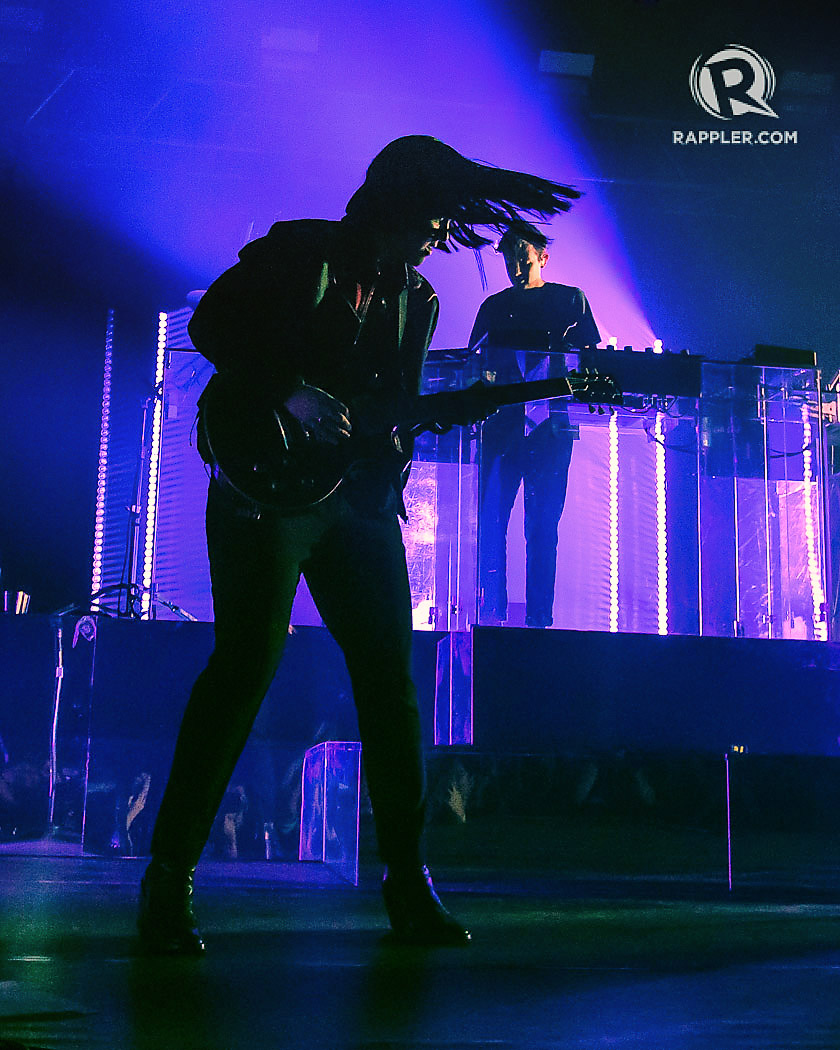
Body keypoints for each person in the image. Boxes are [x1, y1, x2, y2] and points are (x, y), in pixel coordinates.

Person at [137, 136, 580, 954]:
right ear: (395, 206)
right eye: (432, 218)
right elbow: (209, 322)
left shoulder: (420, 299)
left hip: (356, 502)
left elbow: (389, 409)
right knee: (244, 668)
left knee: (392, 687)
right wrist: (290, 392)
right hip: (263, 491)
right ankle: (169, 879)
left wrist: (425, 427)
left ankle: (409, 883)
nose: (440, 236)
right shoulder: (302, 253)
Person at [468, 224, 600, 628]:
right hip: (503, 433)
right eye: (509, 260)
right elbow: (473, 365)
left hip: (549, 432)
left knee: (541, 528)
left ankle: (537, 619)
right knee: (493, 525)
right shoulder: (494, 306)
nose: (514, 268)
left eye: (521, 260)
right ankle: (493, 615)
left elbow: (591, 359)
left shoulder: (569, 299)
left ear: (543, 257)